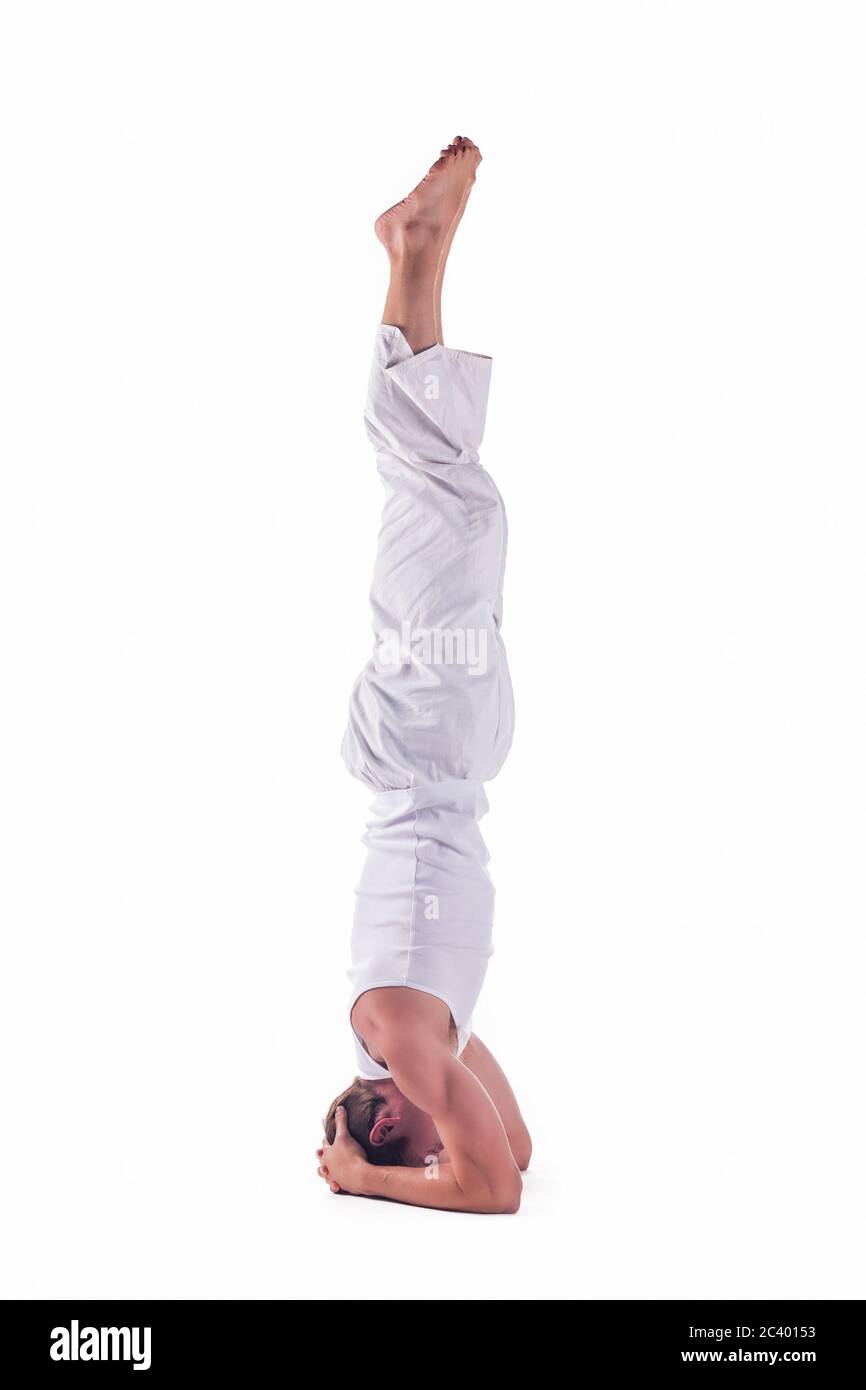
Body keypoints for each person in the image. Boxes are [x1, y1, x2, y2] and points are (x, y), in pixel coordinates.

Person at [317, 138, 530, 1214]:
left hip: (420, 732)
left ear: (383, 1112)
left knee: (434, 492)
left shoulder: (397, 1036)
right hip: (450, 739)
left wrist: (360, 1182)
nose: (437, 1130)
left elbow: (492, 1190)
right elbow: (516, 1147)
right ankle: (416, 256)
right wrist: (418, 1152)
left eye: (412, 1139)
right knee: (460, 507)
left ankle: (411, 256)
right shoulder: (432, 1027)